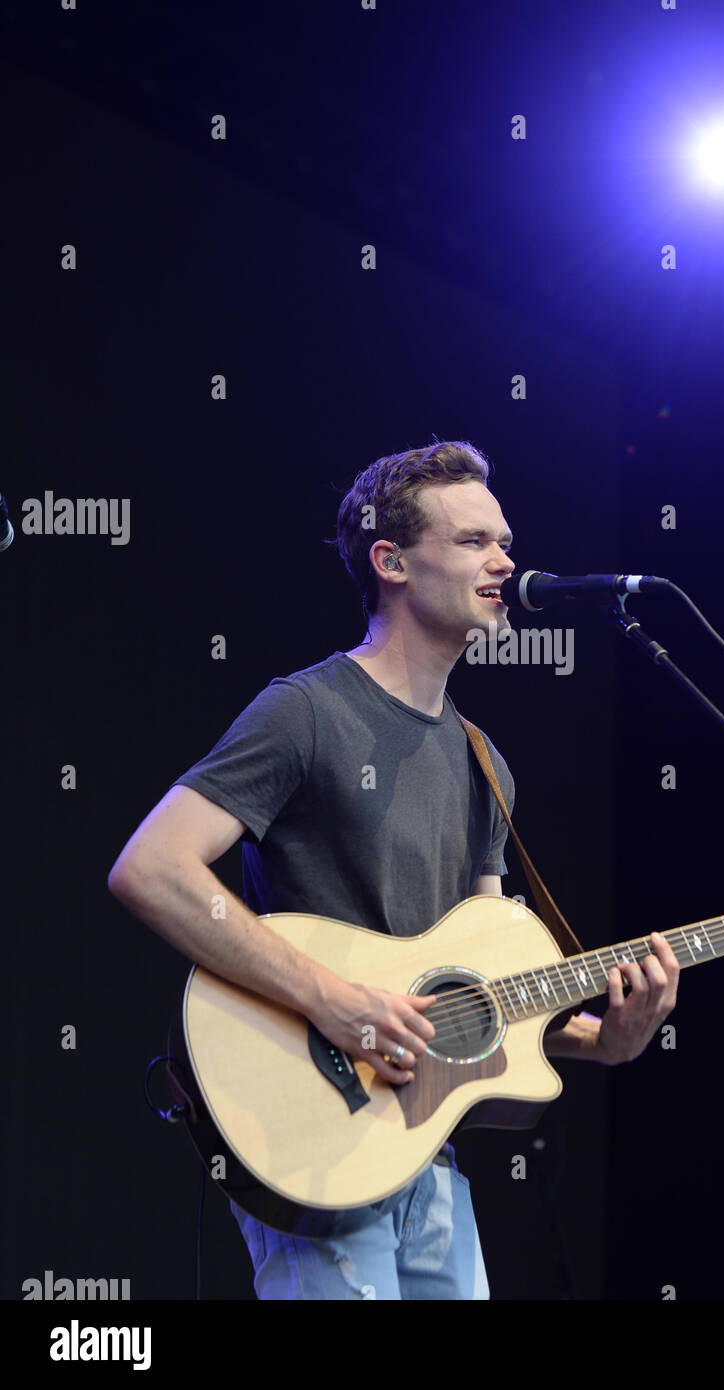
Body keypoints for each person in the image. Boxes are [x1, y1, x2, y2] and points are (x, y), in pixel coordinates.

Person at [107, 440, 680, 1299]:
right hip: (314, 1133)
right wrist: (333, 1000)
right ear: (392, 561)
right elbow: (150, 868)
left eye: (505, 540)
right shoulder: (304, 711)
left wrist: (607, 1042)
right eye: (473, 541)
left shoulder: (486, 763)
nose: (505, 560)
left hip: (425, 1148)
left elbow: (488, 998)